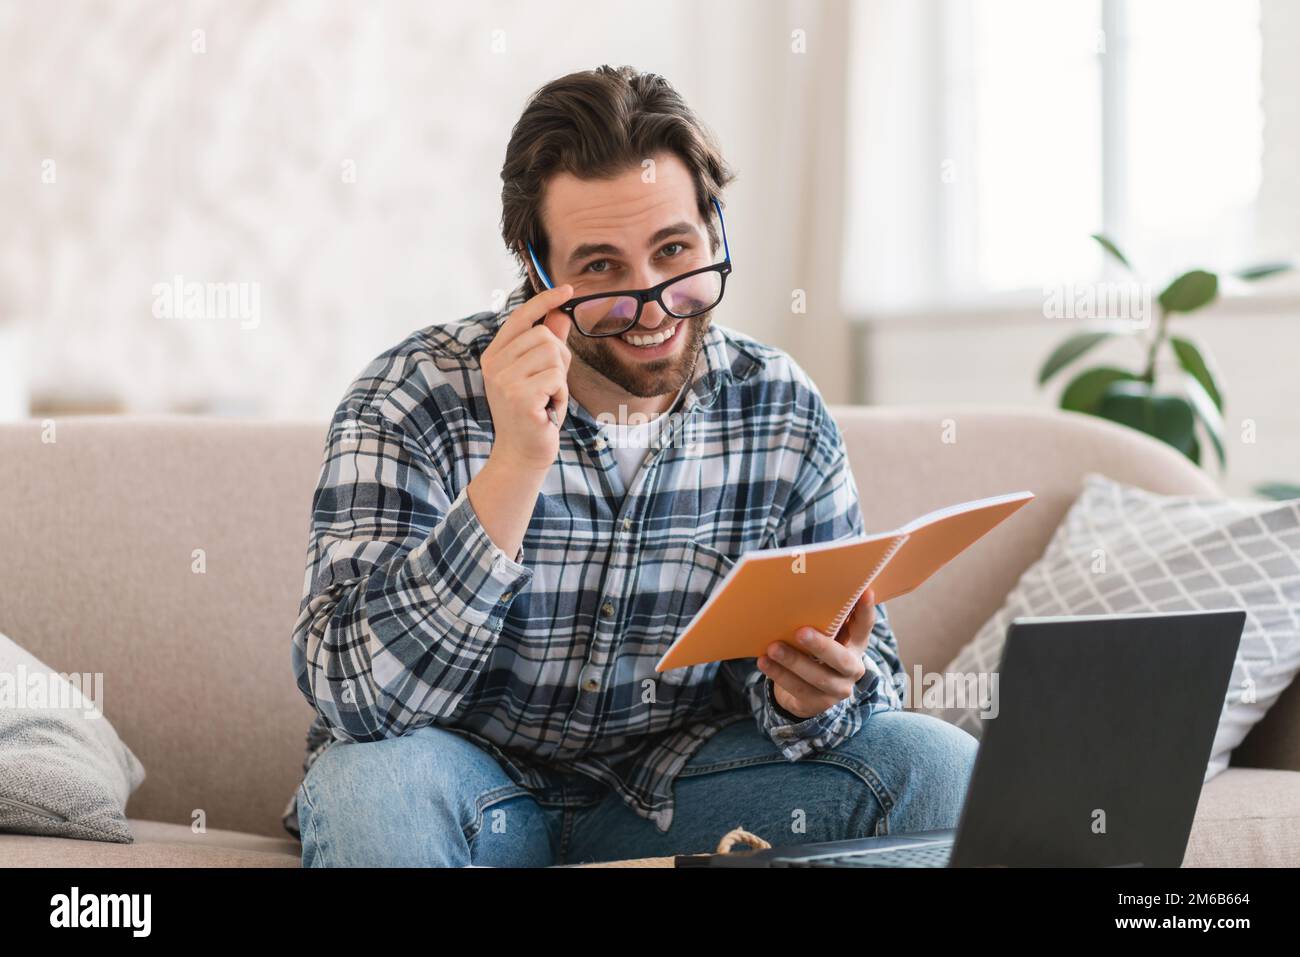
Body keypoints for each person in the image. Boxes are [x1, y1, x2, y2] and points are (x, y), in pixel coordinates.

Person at [285, 64, 977, 866]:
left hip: (681, 795)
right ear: (535, 264)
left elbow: (870, 679)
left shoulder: (777, 406)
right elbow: (357, 701)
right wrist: (513, 466)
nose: (651, 305)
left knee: (936, 765)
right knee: (367, 784)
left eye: (675, 250)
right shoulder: (411, 397)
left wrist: (808, 692)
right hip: (460, 795)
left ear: (714, 228)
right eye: (602, 268)